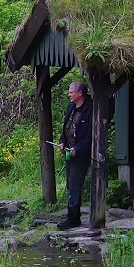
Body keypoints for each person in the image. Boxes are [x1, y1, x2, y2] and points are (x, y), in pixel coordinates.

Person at [58, 81, 93, 230]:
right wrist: (61, 142)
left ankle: (73, 218)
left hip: (81, 155)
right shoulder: (71, 108)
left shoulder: (89, 109)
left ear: (80, 93)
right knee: (70, 185)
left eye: (71, 92)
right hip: (69, 153)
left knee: (74, 186)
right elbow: (65, 128)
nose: (69, 94)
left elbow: (90, 135)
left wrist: (77, 149)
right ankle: (73, 216)